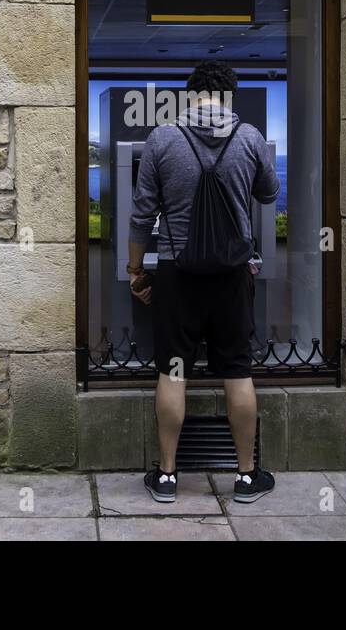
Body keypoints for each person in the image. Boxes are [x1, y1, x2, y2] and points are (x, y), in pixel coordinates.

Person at [127, 61, 281, 503]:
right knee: (237, 370)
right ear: (228, 96)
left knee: (173, 371)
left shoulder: (162, 138)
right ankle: (247, 476)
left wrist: (136, 271)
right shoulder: (249, 138)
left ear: (190, 94)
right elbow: (270, 193)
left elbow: (142, 216)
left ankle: (168, 476)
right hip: (232, 274)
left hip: (178, 274)